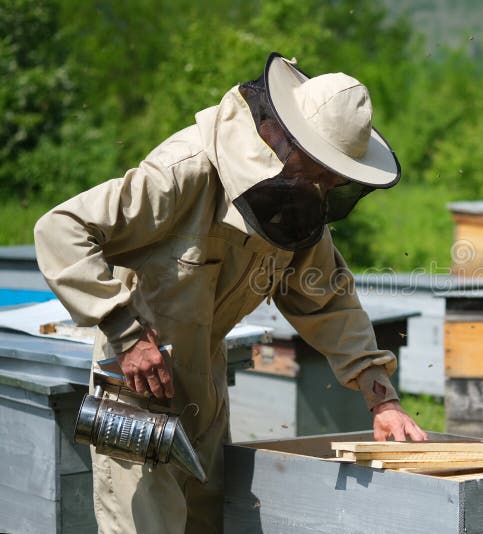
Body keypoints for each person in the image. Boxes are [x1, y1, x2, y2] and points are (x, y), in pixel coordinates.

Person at [34, 52, 427, 533]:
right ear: (287, 137)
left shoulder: (299, 205)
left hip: (205, 385)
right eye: (323, 169)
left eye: (337, 178)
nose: (327, 186)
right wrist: (126, 332)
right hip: (134, 385)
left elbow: (327, 298)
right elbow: (62, 229)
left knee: (209, 522)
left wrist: (380, 397)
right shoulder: (184, 172)